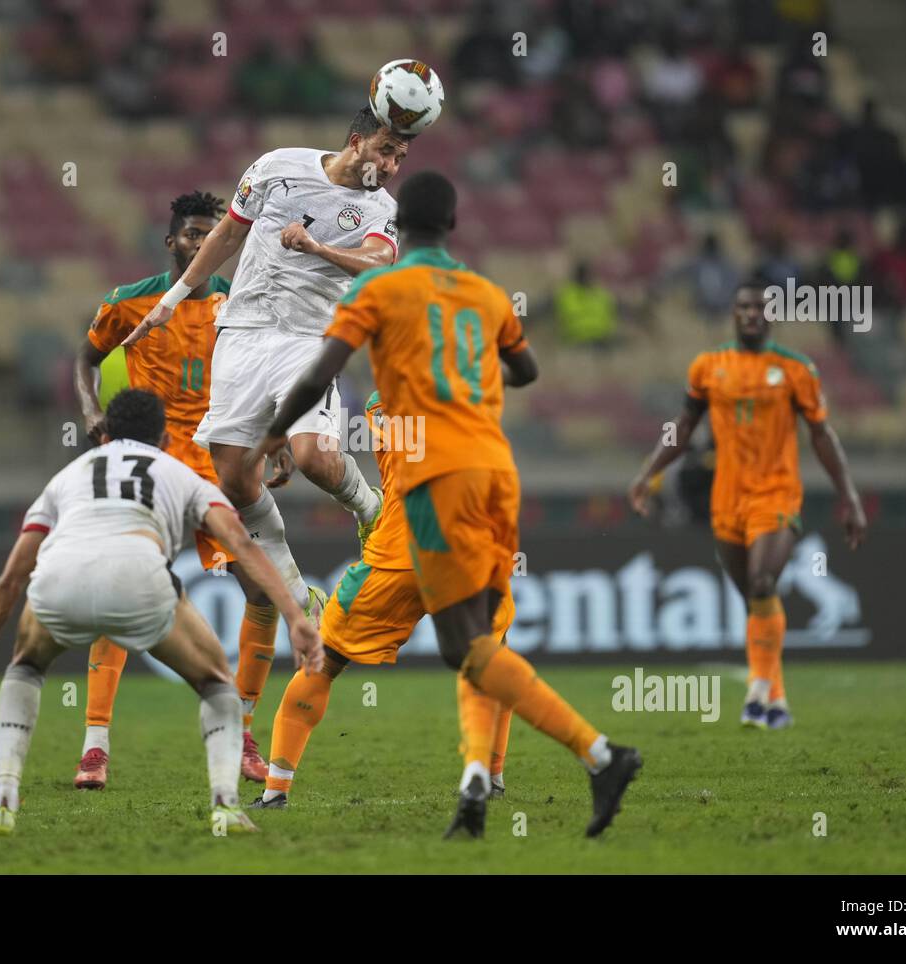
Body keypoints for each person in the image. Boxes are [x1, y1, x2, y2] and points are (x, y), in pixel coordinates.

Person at [249, 170, 643, 839]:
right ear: (453, 227)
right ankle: (482, 783)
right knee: (478, 646)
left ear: (396, 228)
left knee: (441, 649)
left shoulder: (381, 289)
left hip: (438, 485)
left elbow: (321, 371)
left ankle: (601, 755)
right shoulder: (486, 294)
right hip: (497, 473)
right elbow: (527, 371)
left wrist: (273, 435)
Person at [120, 107, 405, 754]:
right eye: (385, 150)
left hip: (311, 339)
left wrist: (315, 247)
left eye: (400, 159)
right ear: (357, 139)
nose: (389, 167)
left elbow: (375, 266)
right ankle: (296, 590)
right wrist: (169, 304)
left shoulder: (383, 210)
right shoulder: (276, 168)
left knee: (311, 455)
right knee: (232, 477)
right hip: (242, 333)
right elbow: (225, 236)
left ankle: (369, 509)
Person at [0, 390, 323, 835]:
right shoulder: (179, 474)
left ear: (103, 435)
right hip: (139, 580)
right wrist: (295, 616)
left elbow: (8, 583)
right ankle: (225, 807)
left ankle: (3, 800)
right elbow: (241, 543)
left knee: (25, 668)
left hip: (61, 579)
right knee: (217, 684)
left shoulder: (66, 477)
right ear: (164, 440)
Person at [74, 191, 282, 787]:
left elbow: (268, 377)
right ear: (172, 242)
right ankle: (95, 746)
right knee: (122, 591)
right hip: (154, 465)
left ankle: (243, 732)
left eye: (210, 236)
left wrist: (280, 438)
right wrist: (91, 411)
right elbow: (84, 360)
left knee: (261, 592)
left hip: (220, 464)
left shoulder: (239, 304)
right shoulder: (131, 302)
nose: (201, 244)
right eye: (191, 234)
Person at [253, 392, 517, 809]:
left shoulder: (382, 401)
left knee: (323, 664)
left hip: (397, 555)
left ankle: (275, 792)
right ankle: (491, 778)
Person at [629, 283, 867, 729]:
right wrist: (648, 473)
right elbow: (682, 427)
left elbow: (821, 435)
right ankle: (776, 700)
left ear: (771, 314)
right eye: (743, 306)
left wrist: (849, 495)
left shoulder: (796, 369)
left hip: (776, 494)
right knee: (754, 599)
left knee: (761, 582)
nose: (751, 313)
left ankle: (757, 694)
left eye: (759, 306)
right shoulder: (708, 367)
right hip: (728, 500)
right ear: (733, 314)